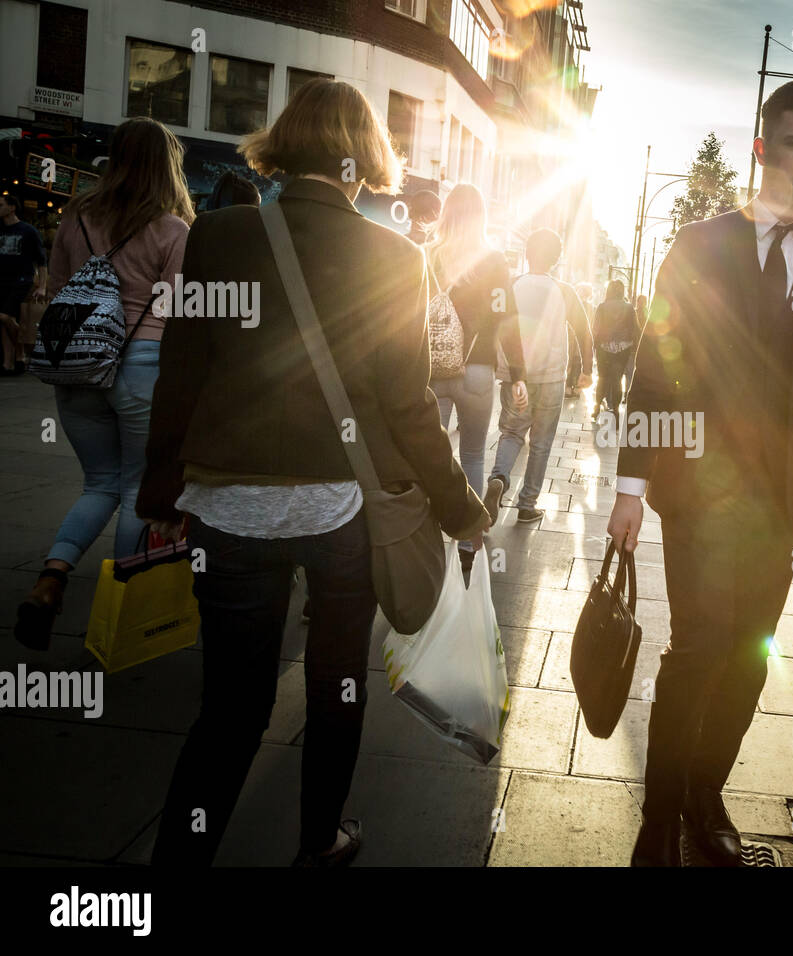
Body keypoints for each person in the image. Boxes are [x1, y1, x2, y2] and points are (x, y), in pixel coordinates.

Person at [135, 78, 490, 867]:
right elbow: (408, 409)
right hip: (343, 513)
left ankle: (177, 866)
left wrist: (160, 491)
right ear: (363, 159)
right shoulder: (396, 255)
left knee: (229, 708)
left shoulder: (218, 235)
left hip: (228, 511)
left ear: (284, 146)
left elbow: (180, 376)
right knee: (336, 685)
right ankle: (318, 841)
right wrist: (460, 507)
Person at [607, 80, 793, 866]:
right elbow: (656, 373)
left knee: (748, 656)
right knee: (698, 649)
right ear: (763, 147)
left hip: (783, 505)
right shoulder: (700, 247)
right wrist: (631, 487)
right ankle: (659, 820)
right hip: (696, 495)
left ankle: (706, 794)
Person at [12, 118, 193, 649]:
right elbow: (175, 309)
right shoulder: (173, 230)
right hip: (142, 365)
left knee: (99, 484)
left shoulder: (77, 217)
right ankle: (124, 607)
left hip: (78, 363)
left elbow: (61, 289)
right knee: (138, 489)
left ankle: (52, 578)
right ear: (167, 166)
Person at [425, 183, 526, 573]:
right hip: (478, 372)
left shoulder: (428, 256)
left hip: (431, 371)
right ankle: (468, 542)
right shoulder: (493, 260)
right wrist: (517, 374)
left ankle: (428, 536)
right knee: (471, 456)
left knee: (432, 456)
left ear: (446, 212)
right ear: (481, 216)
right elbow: (508, 320)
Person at [484, 229, 592, 526]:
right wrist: (587, 369)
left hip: (515, 377)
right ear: (556, 259)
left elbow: (494, 326)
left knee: (512, 433)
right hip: (552, 378)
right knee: (541, 443)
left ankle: (499, 479)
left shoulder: (511, 286)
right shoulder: (564, 291)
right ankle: (527, 504)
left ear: (527, 253)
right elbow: (584, 331)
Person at [0, 191, 48, 375]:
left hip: (21, 279)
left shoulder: (28, 231)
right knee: (5, 321)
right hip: (2, 280)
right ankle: (8, 363)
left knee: (4, 316)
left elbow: (42, 261)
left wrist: (42, 286)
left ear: (11, 208)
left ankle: (21, 353)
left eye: (1, 205)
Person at [591, 279, 637, 424]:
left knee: (602, 377)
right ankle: (616, 411)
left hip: (604, 346)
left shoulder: (602, 306)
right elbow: (635, 329)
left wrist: (594, 346)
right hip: (623, 347)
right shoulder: (629, 307)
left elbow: (595, 329)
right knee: (617, 379)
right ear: (622, 291)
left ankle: (597, 407)